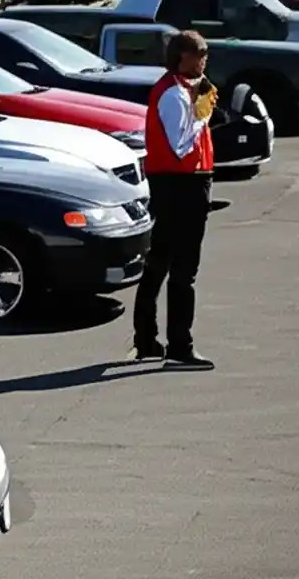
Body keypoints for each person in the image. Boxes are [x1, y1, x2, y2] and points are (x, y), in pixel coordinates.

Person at [131, 30, 216, 369]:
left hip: (181, 184)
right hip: (182, 185)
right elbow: (180, 145)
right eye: (200, 54)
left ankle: (147, 339)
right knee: (182, 269)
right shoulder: (174, 95)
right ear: (183, 57)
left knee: (160, 263)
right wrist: (204, 109)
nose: (205, 60)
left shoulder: (181, 90)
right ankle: (180, 344)